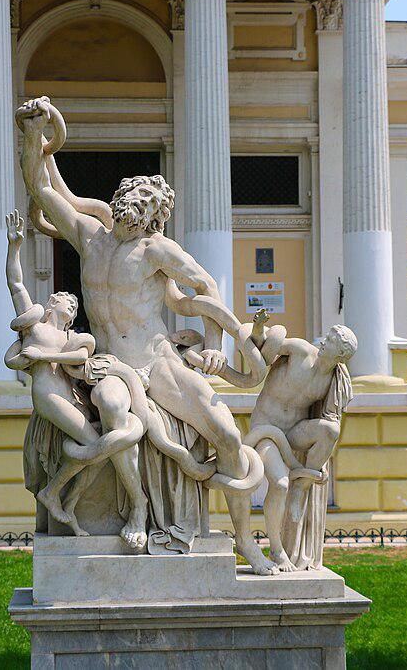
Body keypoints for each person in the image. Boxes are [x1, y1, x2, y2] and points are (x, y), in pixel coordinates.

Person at [17, 96, 278, 575]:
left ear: (157, 215)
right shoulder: (88, 238)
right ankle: (136, 508)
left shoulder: (158, 249)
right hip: (109, 365)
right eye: (131, 195)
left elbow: (206, 290)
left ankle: (248, 541)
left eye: (147, 202)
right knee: (115, 409)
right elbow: (39, 187)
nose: (134, 203)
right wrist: (35, 133)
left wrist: (215, 350)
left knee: (225, 433)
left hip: (158, 361)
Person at [3, 211, 149, 548]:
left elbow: (80, 359)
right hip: (47, 395)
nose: (71, 306)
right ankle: (54, 494)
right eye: (67, 302)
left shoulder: (72, 339)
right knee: (94, 444)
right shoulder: (35, 328)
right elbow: (16, 284)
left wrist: (45, 357)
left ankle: (59, 496)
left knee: (99, 442)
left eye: (74, 306)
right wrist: (14, 247)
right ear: (51, 302)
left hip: (68, 395)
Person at [247, 322, 357, 571]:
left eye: (330, 340)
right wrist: (259, 328)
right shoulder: (299, 350)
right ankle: (277, 550)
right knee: (279, 483)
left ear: (339, 354)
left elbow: (330, 417)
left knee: (330, 429)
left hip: (294, 433)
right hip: (265, 429)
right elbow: (263, 347)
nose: (323, 341)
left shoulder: (332, 380)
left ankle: (303, 483)